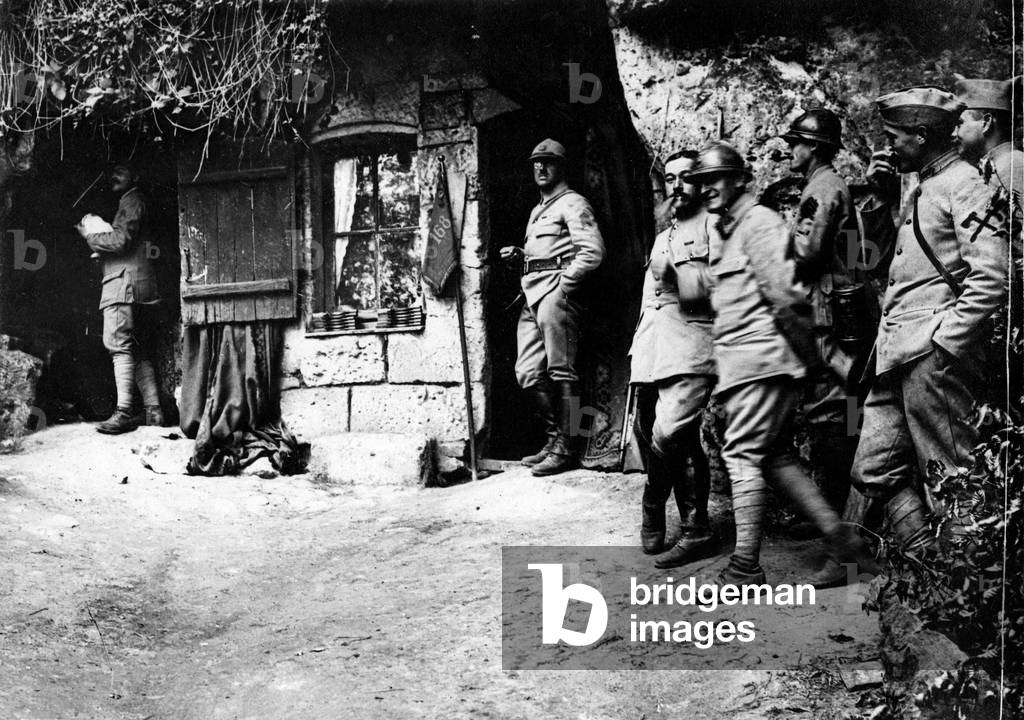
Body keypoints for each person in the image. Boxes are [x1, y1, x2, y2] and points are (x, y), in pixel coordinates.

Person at [811, 87, 1010, 587]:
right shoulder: (921, 184)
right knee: (872, 468)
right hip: (897, 351)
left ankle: (971, 589)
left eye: (894, 138)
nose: (888, 147)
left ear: (922, 136)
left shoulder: (967, 184)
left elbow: (994, 275)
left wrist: (949, 341)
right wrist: (876, 196)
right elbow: (876, 259)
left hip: (934, 353)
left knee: (953, 473)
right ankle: (931, 565)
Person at [685, 142, 875, 587]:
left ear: (738, 180)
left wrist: (809, 362)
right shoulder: (730, 229)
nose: (706, 188)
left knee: (742, 453)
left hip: (764, 361)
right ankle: (844, 543)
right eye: (701, 181)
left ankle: (745, 566)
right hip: (743, 362)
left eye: (715, 179)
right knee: (773, 456)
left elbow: (788, 299)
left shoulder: (761, 224)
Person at [780, 109, 871, 518]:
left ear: (814, 147)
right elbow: (850, 254)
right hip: (841, 312)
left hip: (828, 317)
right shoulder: (830, 186)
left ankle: (836, 521)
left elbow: (808, 252)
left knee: (830, 415)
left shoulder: (823, 188)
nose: (789, 151)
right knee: (839, 412)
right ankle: (834, 515)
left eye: (795, 142)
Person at [628, 149, 718, 568]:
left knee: (670, 435)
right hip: (653, 344)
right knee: (649, 429)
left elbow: (723, 288)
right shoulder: (664, 233)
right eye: (670, 177)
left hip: (692, 343)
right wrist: (639, 347)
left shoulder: (715, 226)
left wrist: (684, 277)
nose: (677, 185)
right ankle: (693, 522)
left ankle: (653, 501)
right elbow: (651, 297)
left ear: (701, 184)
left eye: (686, 177)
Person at [499, 139, 605, 476]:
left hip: (555, 294)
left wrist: (564, 287)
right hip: (531, 293)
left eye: (549, 162)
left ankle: (567, 446)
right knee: (527, 372)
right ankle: (552, 437)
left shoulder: (573, 203)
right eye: (536, 162)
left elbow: (592, 252)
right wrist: (522, 256)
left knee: (563, 371)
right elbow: (546, 251)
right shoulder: (539, 209)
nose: (541, 168)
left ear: (562, 167)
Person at [77, 164, 163, 434]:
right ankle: (154, 412)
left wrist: (90, 236)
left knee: (118, 346)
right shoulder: (136, 201)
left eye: (120, 171)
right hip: (141, 285)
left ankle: (123, 412)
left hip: (123, 284)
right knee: (139, 349)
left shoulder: (132, 199)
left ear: (135, 176)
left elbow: (120, 240)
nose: (113, 176)